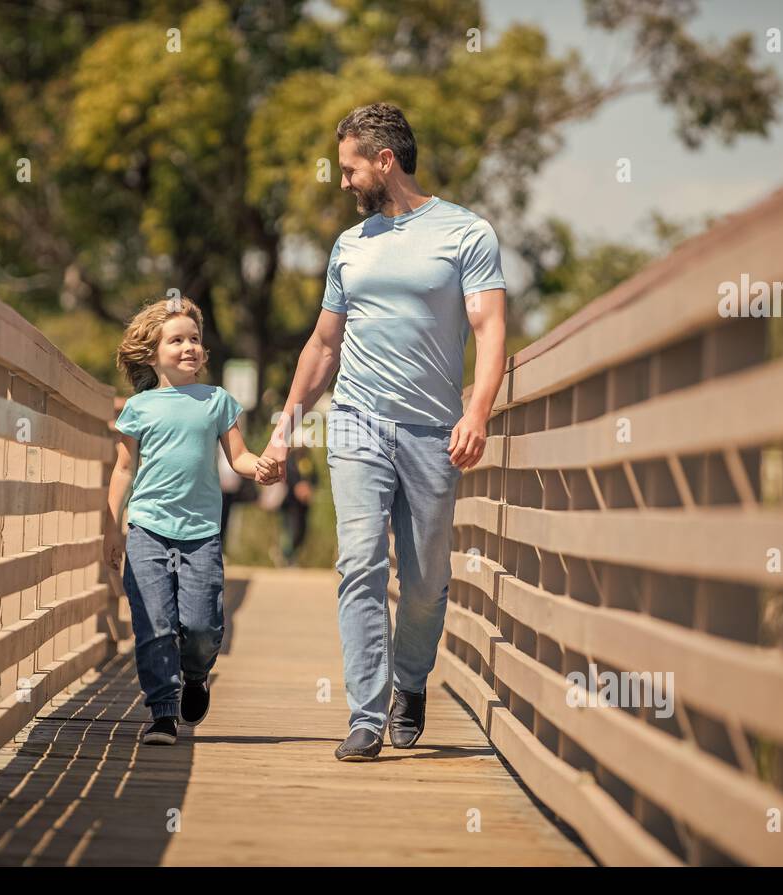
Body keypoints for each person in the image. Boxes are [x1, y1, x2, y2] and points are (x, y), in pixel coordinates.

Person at [256, 103, 507, 761]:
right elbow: (322, 344)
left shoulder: (466, 234)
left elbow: (489, 331)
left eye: (349, 168)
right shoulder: (350, 246)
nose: (343, 183)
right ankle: (365, 715)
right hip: (357, 422)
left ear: (384, 160)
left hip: (433, 431)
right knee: (359, 562)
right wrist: (285, 428)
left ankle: (410, 682)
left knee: (424, 581)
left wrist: (476, 412)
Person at [104, 296, 270, 746]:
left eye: (194, 339)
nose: (188, 347)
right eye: (176, 340)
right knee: (154, 624)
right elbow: (123, 469)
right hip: (148, 528)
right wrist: (111, 525)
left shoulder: (217, 401)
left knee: (201, 626)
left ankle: (195, 675)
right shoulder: (138, 408)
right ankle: (162, 712)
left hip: (200, 533)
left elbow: (238, 457)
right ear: (152, 352)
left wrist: (260, 467)